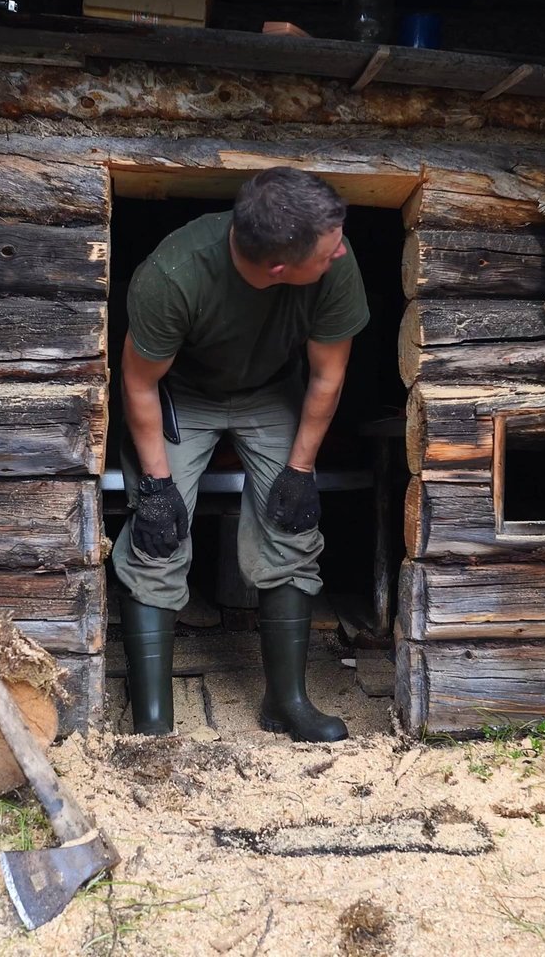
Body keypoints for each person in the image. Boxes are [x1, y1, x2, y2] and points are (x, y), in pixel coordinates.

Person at [113, 168, 368, 742]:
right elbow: (138, 383)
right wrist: (157, 487)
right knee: (159, 534)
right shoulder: (174, 275)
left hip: (271, 391)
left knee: (291, 522)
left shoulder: (336, 263)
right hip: (181, 393)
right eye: (327, 252)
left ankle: (287, 701)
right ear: (281, 269)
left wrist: (300, 473)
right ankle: (154, 722)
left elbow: (328, 376)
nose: (341, 252)